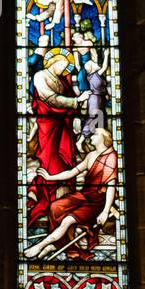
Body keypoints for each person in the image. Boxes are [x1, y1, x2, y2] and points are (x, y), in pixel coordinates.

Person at [25, 128, 117, 258]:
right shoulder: (91, 155)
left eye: (95, 134)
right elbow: (72, 172)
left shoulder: (111, 158)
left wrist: (105, 211)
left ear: (104, 139)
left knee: (67, 220)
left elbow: (111, 186)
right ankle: (58, 244)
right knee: (55, 207)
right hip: (84, 195)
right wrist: (50, 177)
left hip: (97, 202)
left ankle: (40, 246)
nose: (91, 136)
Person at [27, 49, 89, 225]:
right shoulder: (40, 76)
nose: (64, 68)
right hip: (48, 124)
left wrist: (76, 115)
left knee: (63, 161)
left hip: (63, 127)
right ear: (53, 62)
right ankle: (43, 196)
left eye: (67, 66)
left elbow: (69, 100)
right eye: (62, 64)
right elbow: (50, 99)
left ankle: (58, 199)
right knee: (49, 159)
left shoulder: (62, 81)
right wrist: (76, 101)